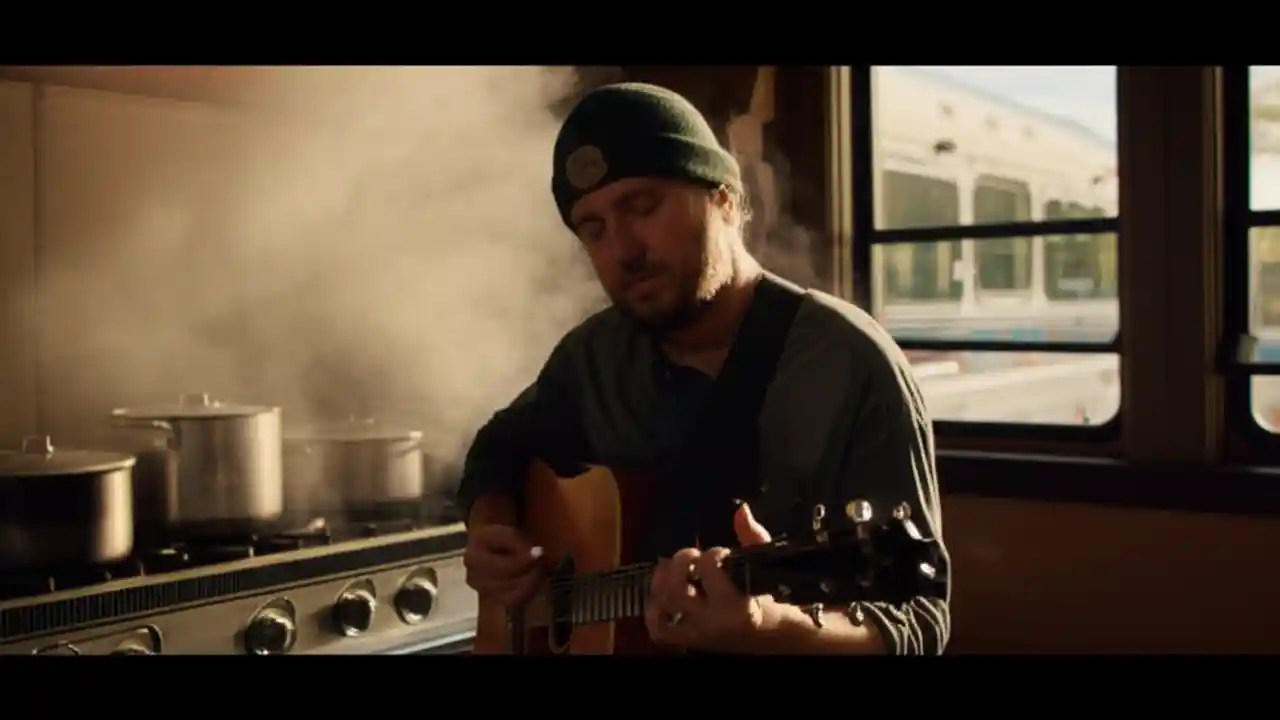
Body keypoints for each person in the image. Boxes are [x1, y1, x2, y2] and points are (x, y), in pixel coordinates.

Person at [456, 81, 950, 655]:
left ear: (724, 199)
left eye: (642, 207)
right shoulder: (593, 357)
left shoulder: (848, 365)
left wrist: (771, 630)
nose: (622, 250)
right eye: (593, 230)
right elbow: (500, 444)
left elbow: (918, 624)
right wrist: (490, 526)